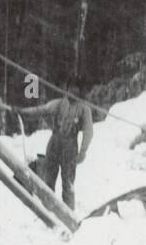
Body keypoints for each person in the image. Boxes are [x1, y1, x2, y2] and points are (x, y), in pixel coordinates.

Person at [21, 79, 95, 210]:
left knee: (68, 183)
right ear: (67, 90)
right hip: (55, 143)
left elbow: (88, 131)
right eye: (71, 89)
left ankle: (68, 214)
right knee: (49, 179)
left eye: (76, 89)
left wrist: (83, 151)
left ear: (80, 92)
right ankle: (47, 211)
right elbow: (41, 110)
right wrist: (23, 112)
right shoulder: (60, 103)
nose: (73, 92)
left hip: (70, 146)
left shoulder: (84, 109)